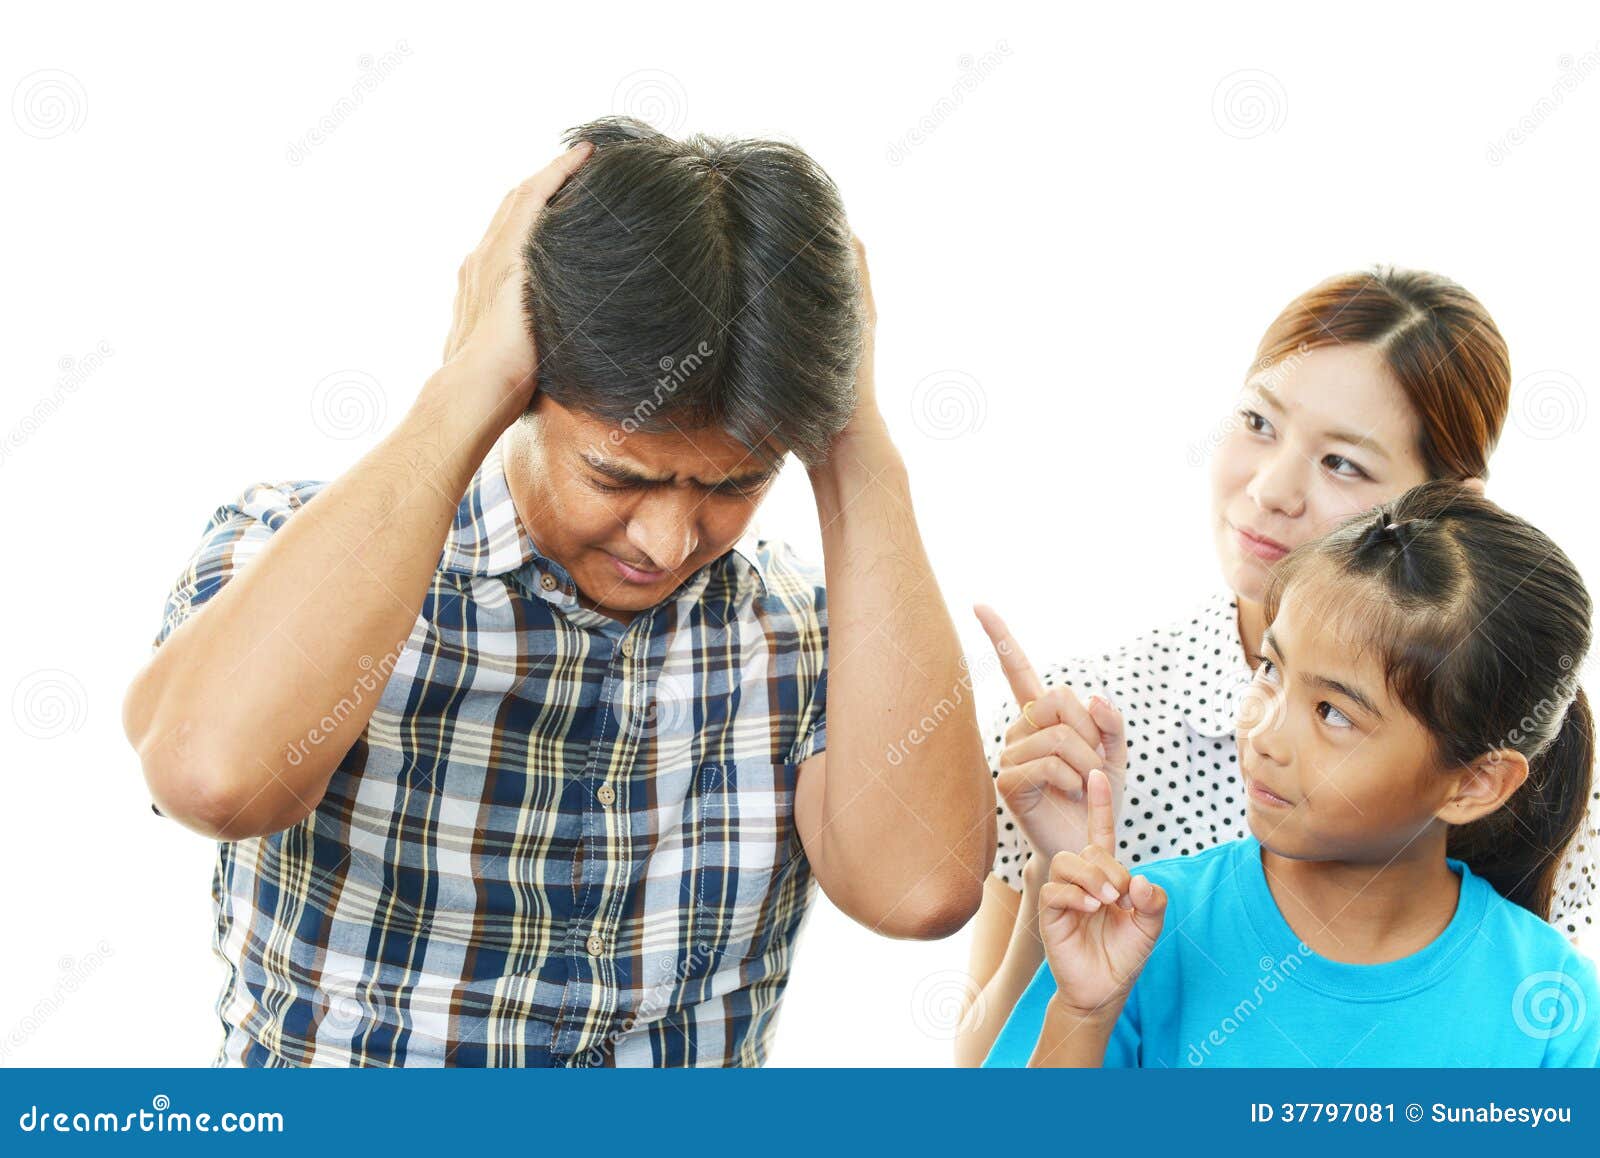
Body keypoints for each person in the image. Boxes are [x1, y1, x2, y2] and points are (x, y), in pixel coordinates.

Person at [121, 117, 994, 1067]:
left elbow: (922, 890)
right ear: (525, 390)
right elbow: (212, 778)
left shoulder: (809, 635)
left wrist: (849, 427)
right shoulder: (283, 545)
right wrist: (465, 383)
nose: (666, 542)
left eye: (733, 486)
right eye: (619, 478)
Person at [954, 267, 1599, 1065]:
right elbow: (985, 1094)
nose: (1269, 489)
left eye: (1344, 465)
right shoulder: (1083, 731)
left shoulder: (1535, 772)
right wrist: (1057, 867)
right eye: (1258, 421)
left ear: (1445, 505)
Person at [984, 480, 1600, 1067]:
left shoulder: (1551, 1003)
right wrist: (1084, 1013)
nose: (1265, 734)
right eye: (1271, 670)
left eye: (1333, 713)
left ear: (1474, 783)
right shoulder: (1137, 930)